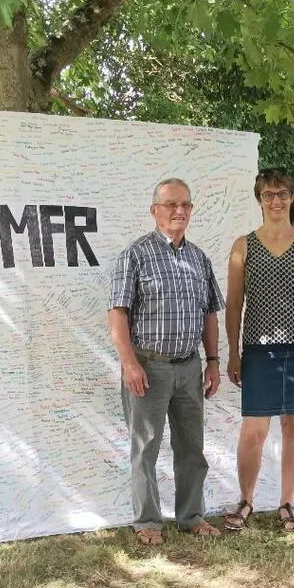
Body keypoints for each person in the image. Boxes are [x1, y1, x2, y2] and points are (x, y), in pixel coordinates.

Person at [108, 177, 225, 545]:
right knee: (146, 447)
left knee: (192, 447)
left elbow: (209, 314)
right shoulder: (135, 255)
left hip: (189, 367)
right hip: (149, 366)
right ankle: (147, 522)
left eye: (185, 205)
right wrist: (129, 363)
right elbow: (118, 315)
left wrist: (213, 361)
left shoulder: (198, 258)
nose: (179, 211)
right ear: (154, 210)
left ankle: (191, 516)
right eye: (171, 204)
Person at [223, 170, 294, 532]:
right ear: (259, 199)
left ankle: (287, 502)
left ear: (292, 198)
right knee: (254, 430)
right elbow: (234, 303)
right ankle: (246, 501)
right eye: (269, 195)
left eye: (282, 194)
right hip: (259, 350)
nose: (276, 201)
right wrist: (234, 353)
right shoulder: (243, 246)